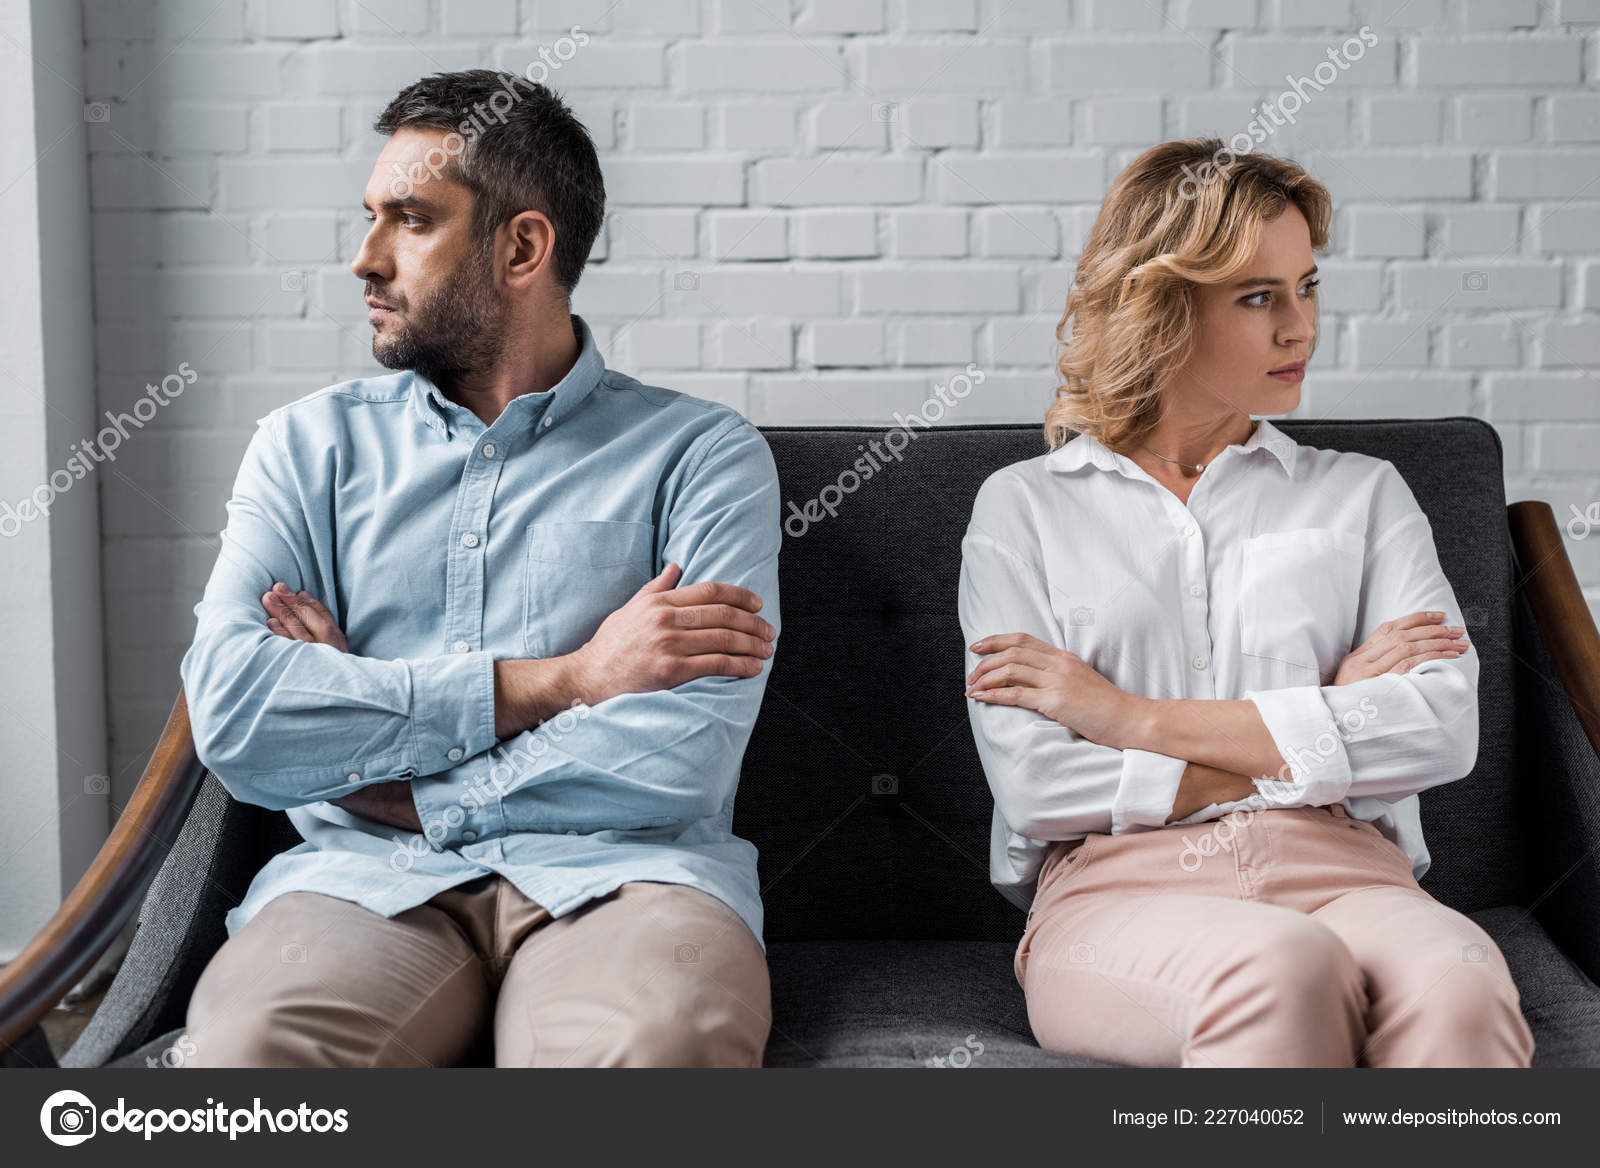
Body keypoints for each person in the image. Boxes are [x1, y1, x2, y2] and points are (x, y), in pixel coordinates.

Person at [175, 71, 779, 1068]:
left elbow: (682, 756)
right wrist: (569, 679)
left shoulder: (701, 456)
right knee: (251, 1050)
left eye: (410, 220)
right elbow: (239, 716)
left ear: (522, 248)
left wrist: (386, 767)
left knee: (657, 1044)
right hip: (363, 882)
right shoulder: (305, 448)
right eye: (370, 217)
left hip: (625, 880)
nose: (365, 258)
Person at [958, 138, 1534, 1068]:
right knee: (1283, 966)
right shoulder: (1024, 507)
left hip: (1353, 875)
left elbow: (1437, 731)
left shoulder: (1365, 493)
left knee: (1460, 982)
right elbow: (1040, 786)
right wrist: (1327, 720)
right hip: (1119, 893)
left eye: (1307, 287)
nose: (1301, 328)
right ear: (1160, 307)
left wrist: (1127, 717)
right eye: (1259, 297)